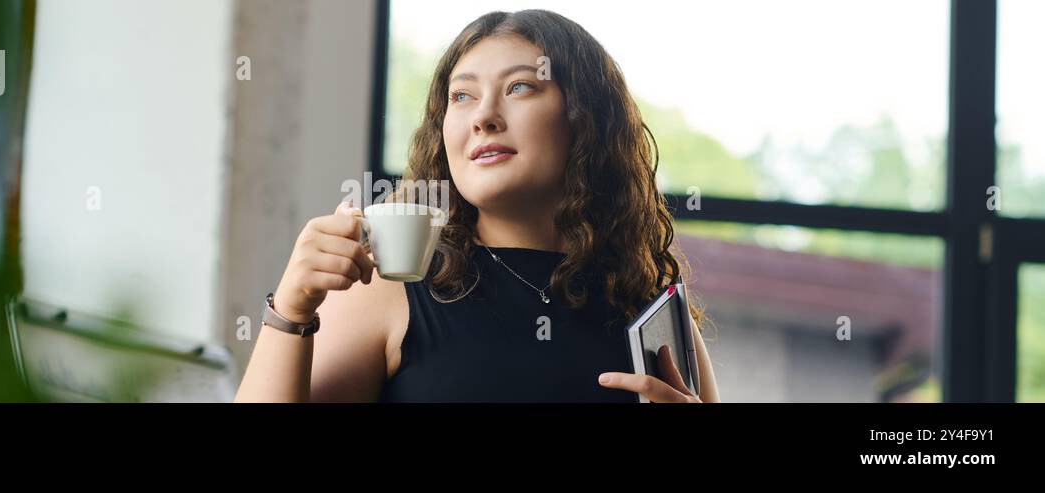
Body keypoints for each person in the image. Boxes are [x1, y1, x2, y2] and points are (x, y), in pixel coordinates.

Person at [236, 9, 719, 403]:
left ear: (586, 120)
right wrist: (292, 309)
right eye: (461, 96)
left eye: (520, 87)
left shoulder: (653, 306)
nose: (483, 117)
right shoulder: (387, 284)